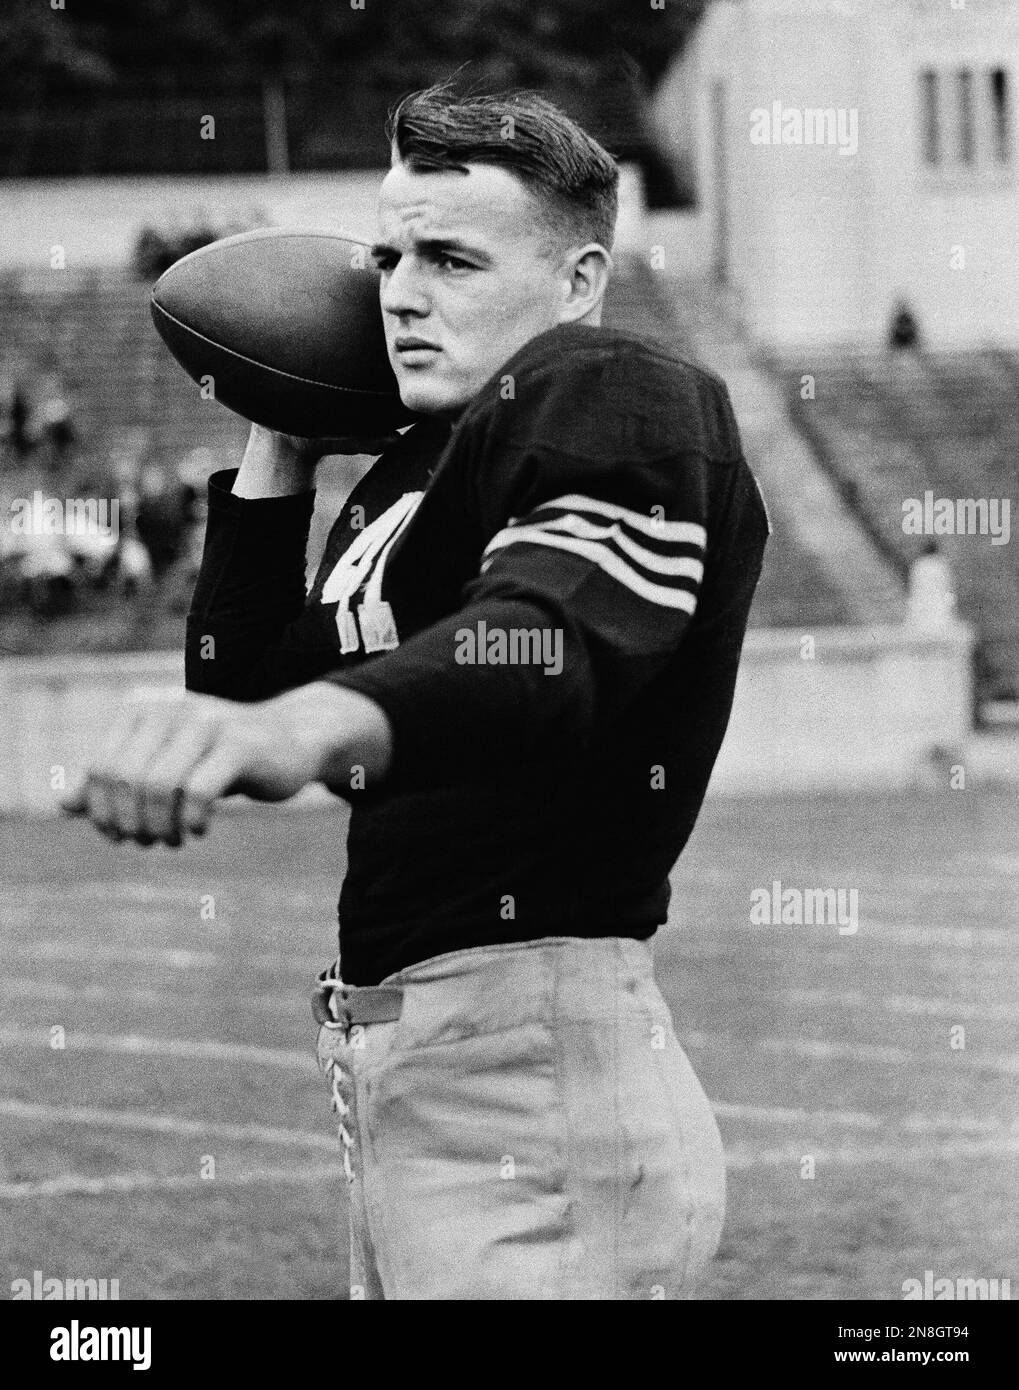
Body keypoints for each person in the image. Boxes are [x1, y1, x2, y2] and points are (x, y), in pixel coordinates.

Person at [63, 85, 770, 1299]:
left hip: (533, 1073)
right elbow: (242, 682)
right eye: (385, 256)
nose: (397, 291)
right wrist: (280, 429)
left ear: (577, 278)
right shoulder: (410, 482)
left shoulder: (615, 386)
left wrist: (293, 729)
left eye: (447, 256)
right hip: (423, 1072)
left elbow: (542, 645)